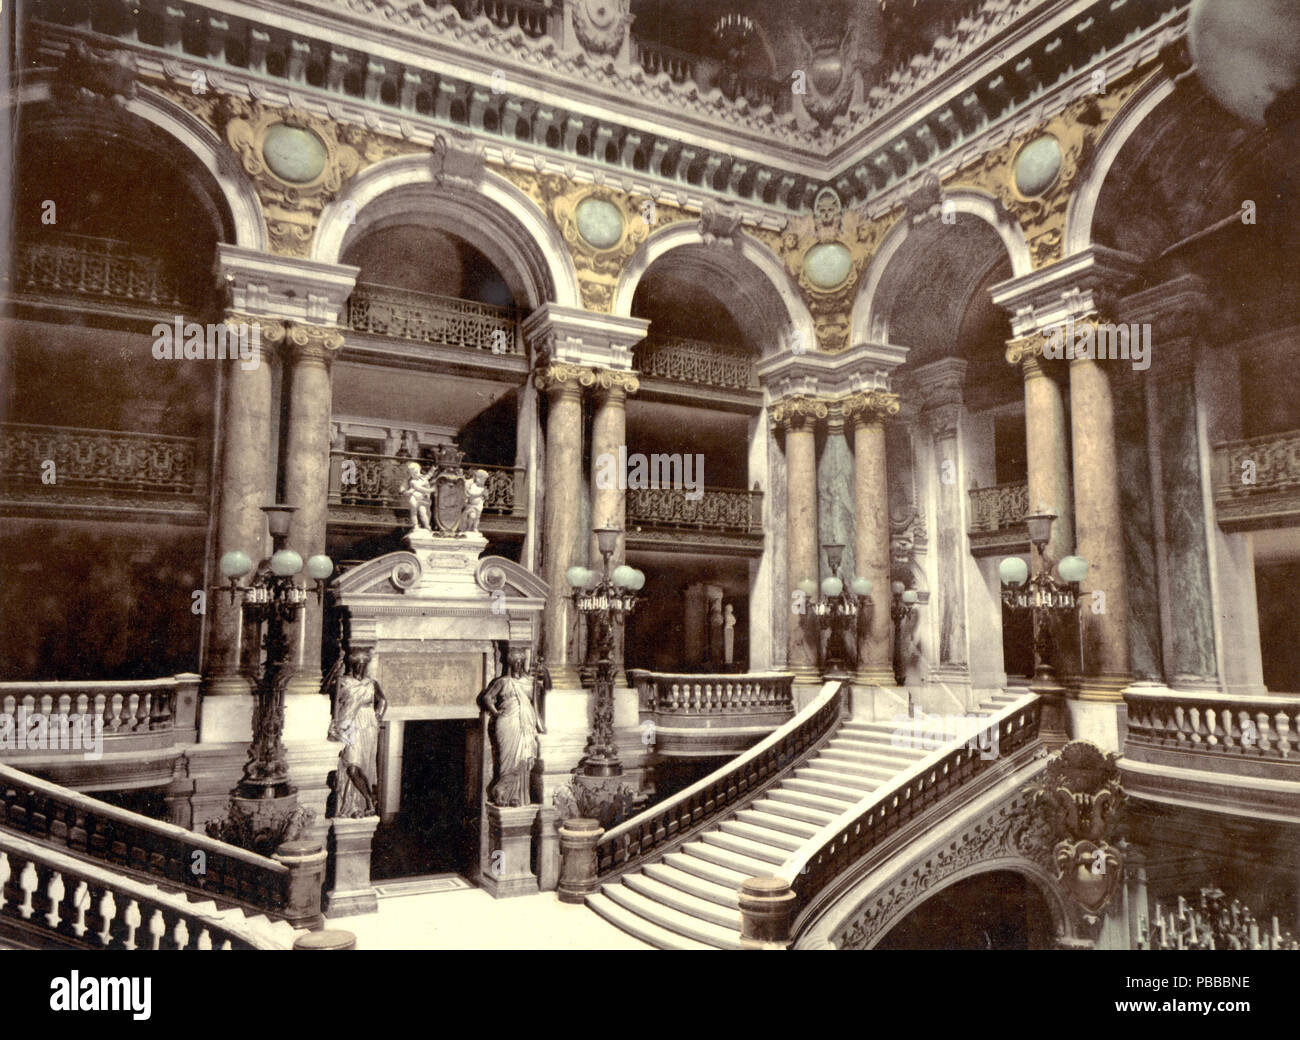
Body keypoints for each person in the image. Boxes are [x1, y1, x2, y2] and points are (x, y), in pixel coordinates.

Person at [478, 649, 545, 807]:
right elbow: (487, 697)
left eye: (520, 661)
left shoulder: (530, 682)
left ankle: (517, 797)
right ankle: (501, 792)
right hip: (507, 722)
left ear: (523, 662)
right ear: (510, 663)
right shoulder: (504, 681)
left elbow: (535, 704)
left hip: (526, 723)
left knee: (525, 757)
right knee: (507, 759)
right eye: (514, 662)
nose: (518, 664)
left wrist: (540, 725)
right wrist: (495, 712)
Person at [328, 648, 387, 818]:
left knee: (363, 764)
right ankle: (368, 799)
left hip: (367, 725)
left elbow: (382, 701)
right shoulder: (343, 681)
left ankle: (362, 804)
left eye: (363, 665)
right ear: (352, 665)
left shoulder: (372, 683)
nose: (360, 668)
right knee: (351, 767)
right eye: (357, 664)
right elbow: (334, 704)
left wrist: (378, 716)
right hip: (349, 725)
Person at [401, 461, 433, 530]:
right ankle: (415, 525)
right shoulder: (408, 480)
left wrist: (427, 495)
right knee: (414, 509)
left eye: (417, 472)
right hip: (412, 497)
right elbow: (402, 490)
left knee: (423, 512)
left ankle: (427, 526)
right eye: (413, 473)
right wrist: (409, 491)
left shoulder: (423, 479)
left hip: (422, 499)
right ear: (410, 473)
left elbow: (427, 487)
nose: (416, 474)